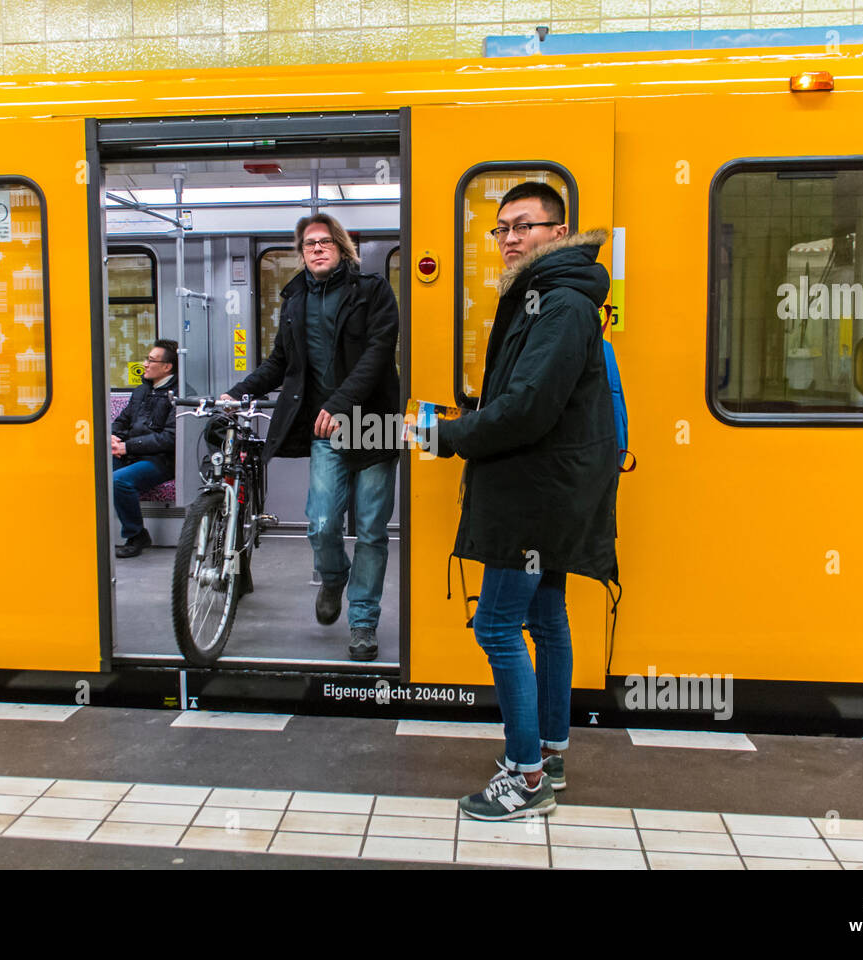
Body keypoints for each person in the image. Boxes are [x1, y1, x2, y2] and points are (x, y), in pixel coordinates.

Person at [432, 182, 616, 820]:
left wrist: (448, 434)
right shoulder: (554, 298)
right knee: (545, 620)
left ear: (558, 233)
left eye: (524, 226)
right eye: (501, 228)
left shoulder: (559, 304)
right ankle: (552, 752)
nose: (509, 237)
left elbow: (529, 409)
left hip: (534, 494)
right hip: (550, 489)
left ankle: (527, 777)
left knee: (497, 625)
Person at [222, 213, 400, 661]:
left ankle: (362, 621)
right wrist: (239, 390)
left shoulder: (373, 291)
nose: (316, 248)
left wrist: (338, 404)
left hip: (372, 422)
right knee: (321, 523)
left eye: (324, 241)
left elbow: (378, 355)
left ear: (340, 247)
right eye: (308, 244)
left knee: (372, 532)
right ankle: (334, 577)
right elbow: (280, 363)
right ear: (301, 253)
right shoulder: (295, 299)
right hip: (326, 428)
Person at [111, 339, 178, 558]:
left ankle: (136, 534)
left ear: (167, 367)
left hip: (160, 460)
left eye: (151, 360)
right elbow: (122, 421)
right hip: (131, 453)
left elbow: (169, 438)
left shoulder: (178, 395)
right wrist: (113, 436)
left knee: (118, 480)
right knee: (89, 468)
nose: (145, 364)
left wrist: (126, 446)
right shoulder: (141, 391)